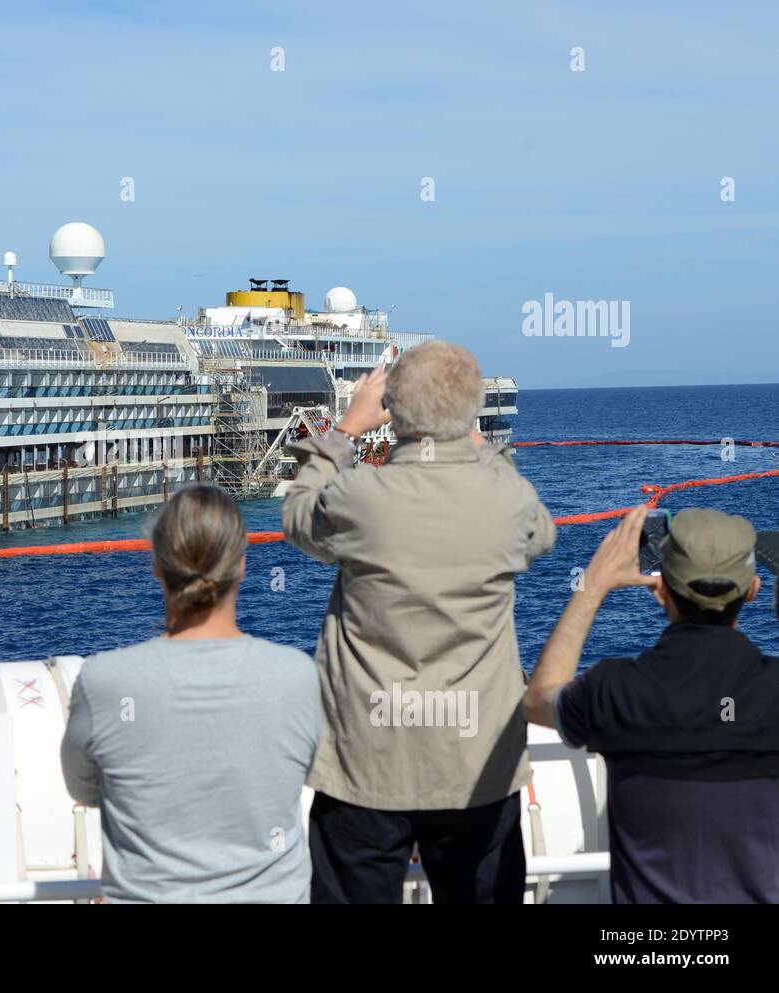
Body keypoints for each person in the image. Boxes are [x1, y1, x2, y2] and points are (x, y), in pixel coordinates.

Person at [282, 341, 555, 904]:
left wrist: (346, 431)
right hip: (476, 764)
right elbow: (542, 535)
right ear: (473, 412)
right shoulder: (507, 498)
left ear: (394, 411)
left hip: (366, 761)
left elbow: (298, 517)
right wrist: (475, 441)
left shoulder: (360, 496)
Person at [60, 484, 320, 903]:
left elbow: (84, 789)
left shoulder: (104, 680)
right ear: (241, 568)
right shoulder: (296, 676)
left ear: (157, 567)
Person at [524, 506, 779, 903]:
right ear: (752, 590)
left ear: (660, 589)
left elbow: (538, 699)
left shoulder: (615, 691)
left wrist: (592, 586)